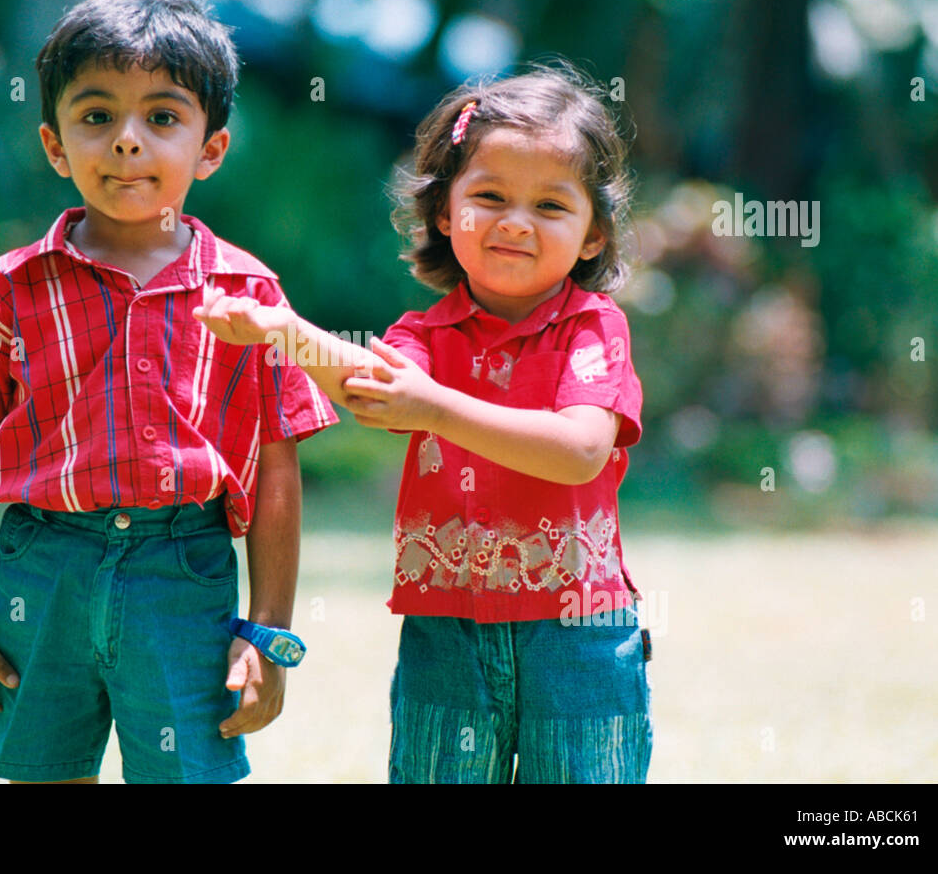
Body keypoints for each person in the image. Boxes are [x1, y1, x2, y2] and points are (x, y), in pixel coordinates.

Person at [0, 0, 337, 784]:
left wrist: (268, 631)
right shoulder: (5, 292)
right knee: (43, 770)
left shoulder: (250, 296)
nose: (127, 143)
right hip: (45, 566)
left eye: (164, 118)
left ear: (210, 149)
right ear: (54, 142)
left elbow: (273, 468)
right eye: (97, 116)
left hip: (183, 570)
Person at [193, 60, 653, 783]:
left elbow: (580, 449)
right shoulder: (426, 336)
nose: (514, 222)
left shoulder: (592, 329)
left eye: (550, 206)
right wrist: (280, 328)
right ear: (445, 212)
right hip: (447, 630)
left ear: (595, 234)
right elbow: (365, 382)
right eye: (490, 196)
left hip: (579, 634)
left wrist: (434, 405)